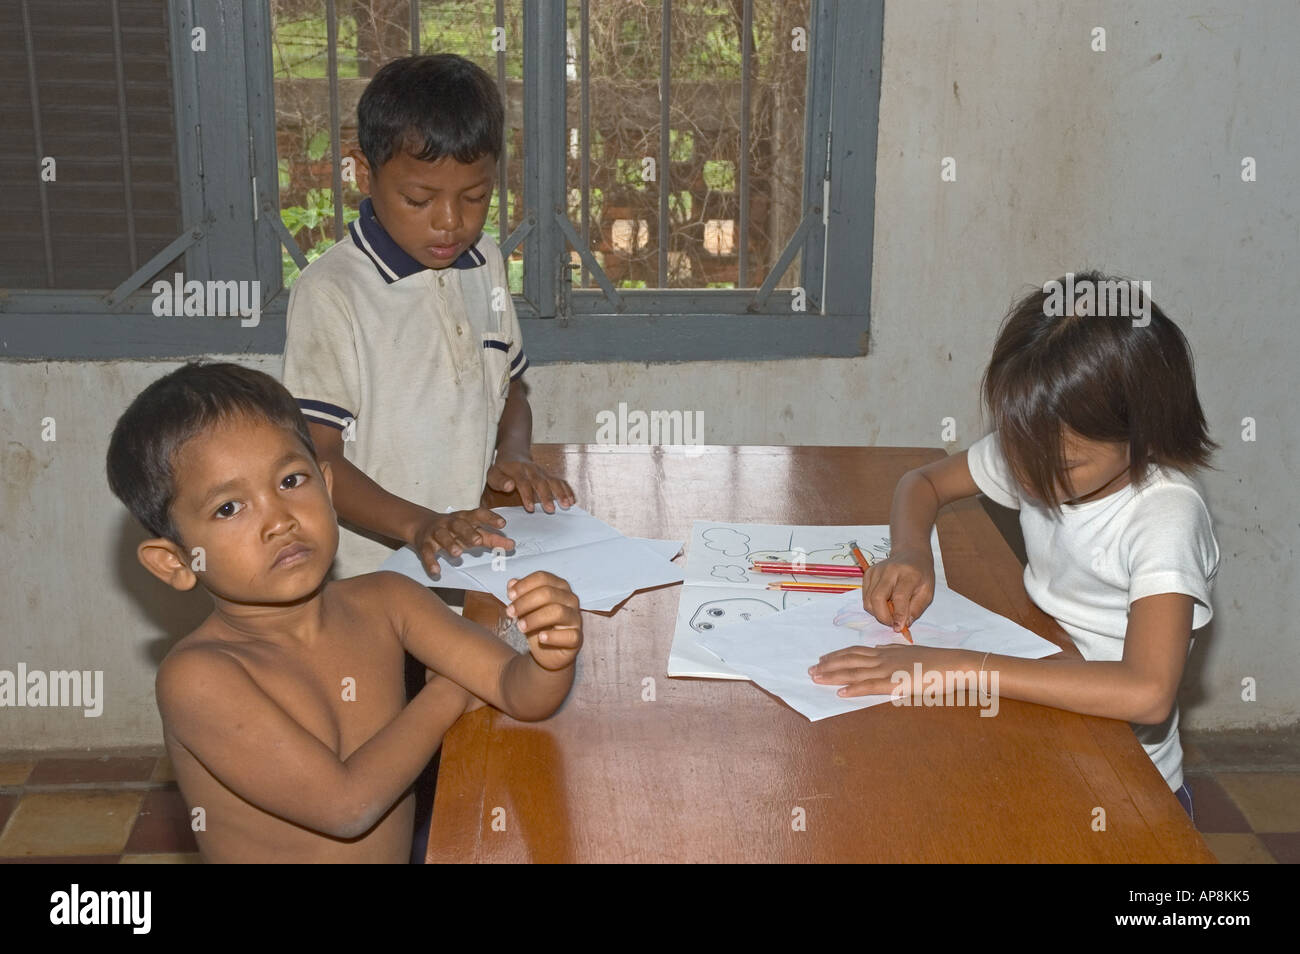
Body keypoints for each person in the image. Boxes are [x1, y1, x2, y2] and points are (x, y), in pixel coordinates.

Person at [105, 362, 582, 862]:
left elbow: (517, 690)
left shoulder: (388, 601)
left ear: (327, 486)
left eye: (291, 480)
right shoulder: (198, 678)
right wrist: (452, 688)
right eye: (229, 508)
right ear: (174, 562)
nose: (280, 520)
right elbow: (348, 806)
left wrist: (550, 656)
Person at [810, 272, 1219, 821]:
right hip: (1035, 726)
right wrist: (911, 552)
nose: (1028, 477)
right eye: (1020, 448)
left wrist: (957, 666)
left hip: (1123, 778)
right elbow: (922, 483)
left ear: (1143, 433)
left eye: (1063, 465)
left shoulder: (1164, 515)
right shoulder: (1043, 446)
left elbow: (1145, 691)